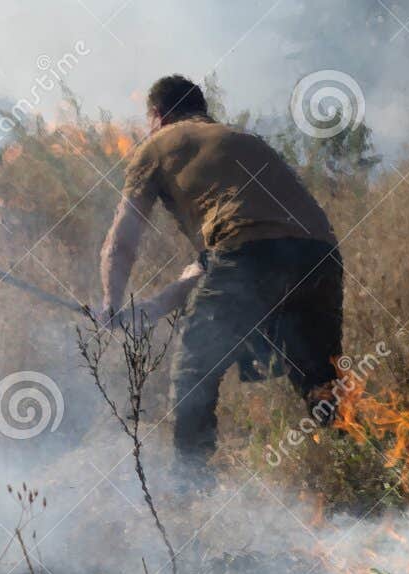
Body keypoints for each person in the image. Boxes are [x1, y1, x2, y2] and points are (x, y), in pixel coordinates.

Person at [99, 75, 343, 465]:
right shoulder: (240, 141)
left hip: (253, 255)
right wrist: (154, 307)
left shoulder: (157, 146)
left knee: (194, 371)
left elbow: (123, 238)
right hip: (320, 257)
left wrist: (110, 303)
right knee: (320, 381)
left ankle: (190, 494)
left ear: (158, 116)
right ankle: (353, 467)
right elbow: (218, 262)